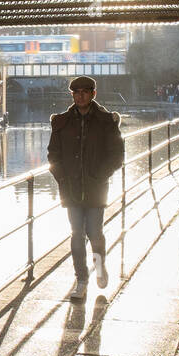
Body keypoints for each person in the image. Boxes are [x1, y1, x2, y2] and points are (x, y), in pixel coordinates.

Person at [47, 76, 125, 302]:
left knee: (95, 232)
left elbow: (117, 154)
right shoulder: (61, 122)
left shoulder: (106, 121)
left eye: (84, 91)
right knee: (77, 234)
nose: (80, 95)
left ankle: (100, 267)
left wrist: (100, 175)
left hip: (96, 186)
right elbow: (53, 154)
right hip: (70, 188)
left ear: (93, 94)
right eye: (76, 92)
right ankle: (81, 280)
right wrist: (61, 177)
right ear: (72, 95)